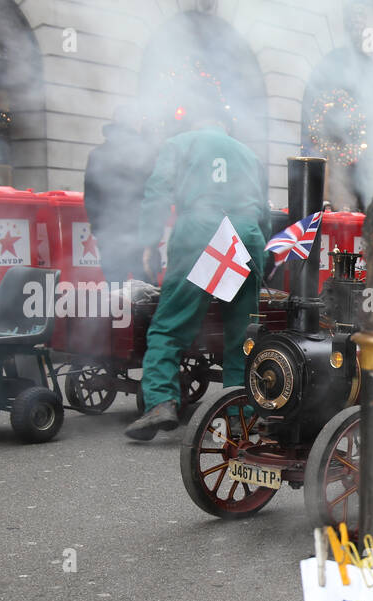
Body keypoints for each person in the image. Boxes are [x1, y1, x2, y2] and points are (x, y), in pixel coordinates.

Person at [126, 102, 269, 440]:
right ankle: (237, 413)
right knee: (241, 332)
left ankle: (161, 401)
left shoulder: (180, 143)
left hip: (200, 231)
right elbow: (264, 210)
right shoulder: (248, 154)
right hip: (245, 234)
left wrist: (148, 242)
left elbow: (157, 191)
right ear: (225, 126)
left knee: (169, 325)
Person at [84, 104, 158, 285]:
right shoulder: (148, 152)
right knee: (146, 288)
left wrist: (99, 228)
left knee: (115, 288)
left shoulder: (98, 154)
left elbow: (91, 196)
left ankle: (118, 314)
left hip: (109, 232)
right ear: (136, 122)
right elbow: (156, 194)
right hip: (141, 231)